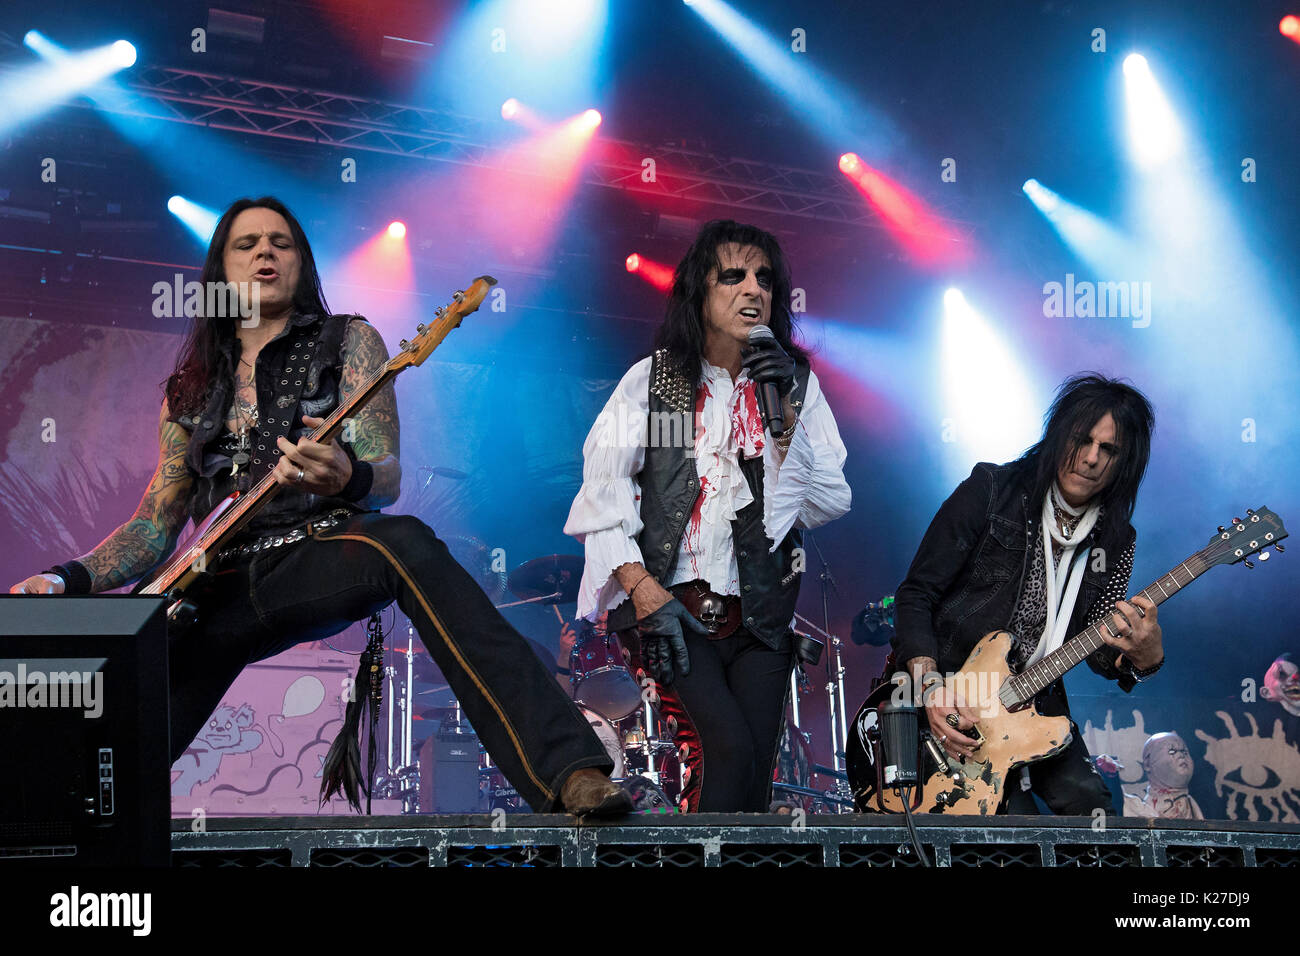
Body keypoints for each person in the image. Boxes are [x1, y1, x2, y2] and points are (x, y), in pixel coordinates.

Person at [9, 196, 630, 817]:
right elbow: (154, 525)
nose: (265, 253)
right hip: (213, 584)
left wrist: (347, 475)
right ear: (220, 269)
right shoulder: (190, 388)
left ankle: (568, 772)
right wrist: (66, 577)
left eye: (280, 243)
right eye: (246, 244)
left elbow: (386, 474)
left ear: (302, 263)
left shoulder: (350, 341)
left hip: (316, 550)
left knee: (406, 541)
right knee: (111, 747)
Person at [564, 219, 851, 812]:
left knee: (755, 777)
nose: (754, 290)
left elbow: (827, 501)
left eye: (764, 279)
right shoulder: (656, 382)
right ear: (699, 290)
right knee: (727, 751)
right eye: (734, 276)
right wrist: (643, 592)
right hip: (675, 611)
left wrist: (787, 426)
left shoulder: (795, 386)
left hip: (763, 620)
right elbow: (602, 488)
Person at [892, 373, 1164, 816]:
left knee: (1095, 812)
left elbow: (1098, 650)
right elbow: (915, 595)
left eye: (1109, 450)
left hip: (1037, 701)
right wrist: (929, 688)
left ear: (1123, 463)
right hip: (959, 696)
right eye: (1082, 440)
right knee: (1013, 827)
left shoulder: (1116, 539)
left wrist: (1146, 657)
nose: (1091, 458)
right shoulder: (991, 491)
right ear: (1059, 436)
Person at [1122, 732, 1204, 819]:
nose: (1181, 755)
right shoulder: (1141, 810)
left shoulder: (1192, 806)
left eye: (1184, 751)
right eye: (1172, 751)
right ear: (1147, 764)